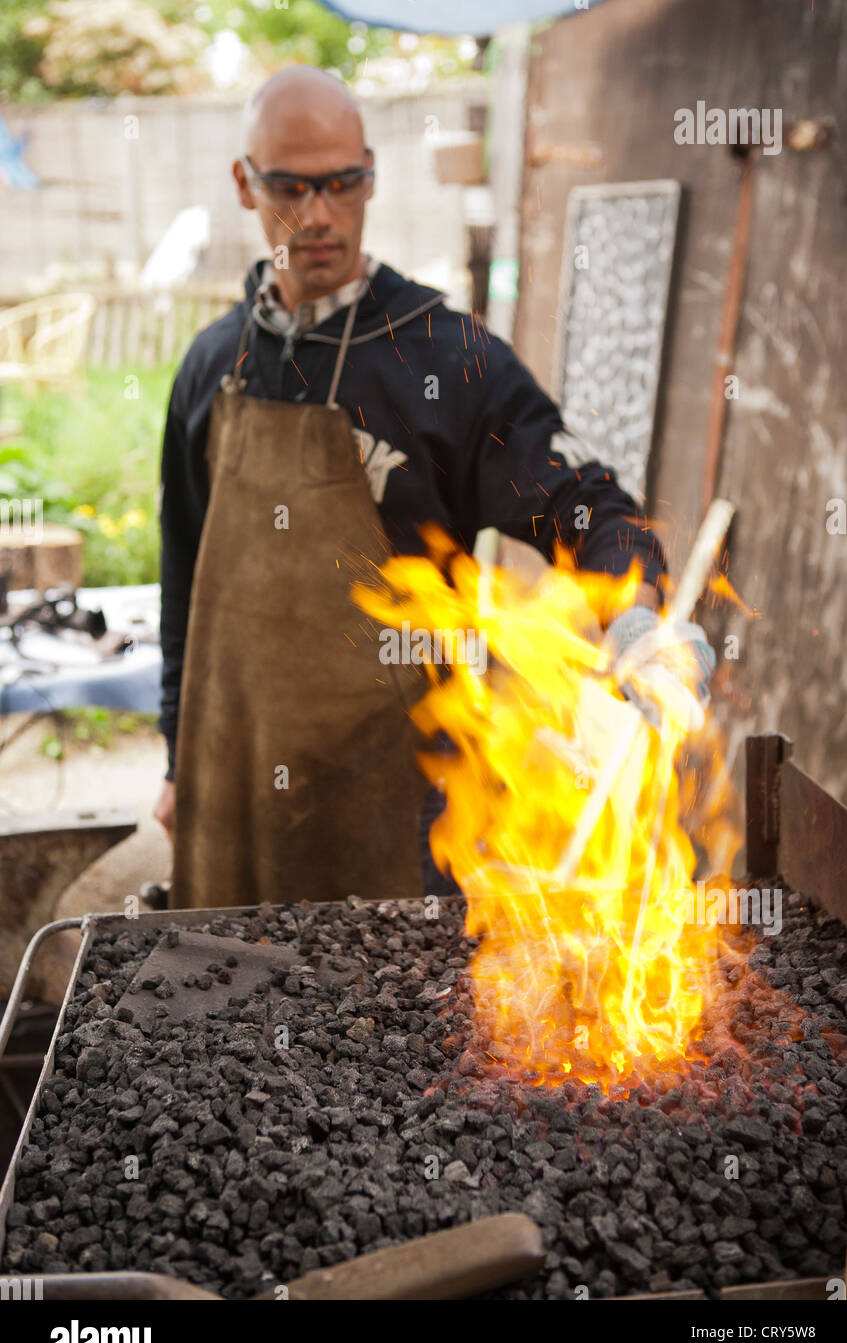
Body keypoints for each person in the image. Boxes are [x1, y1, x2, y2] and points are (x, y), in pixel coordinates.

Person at [155, 66, 709, 909]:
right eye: (290, 188)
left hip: (403, 796)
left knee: (398, 1024)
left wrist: (635, 606)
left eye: (344, 184)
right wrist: (174, 758)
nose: (317, 215)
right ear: (243, 184)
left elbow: (578, 497)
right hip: (235, 786)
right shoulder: (211, 366)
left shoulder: (445, 357)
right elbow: (181, 587)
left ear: (371, 176)